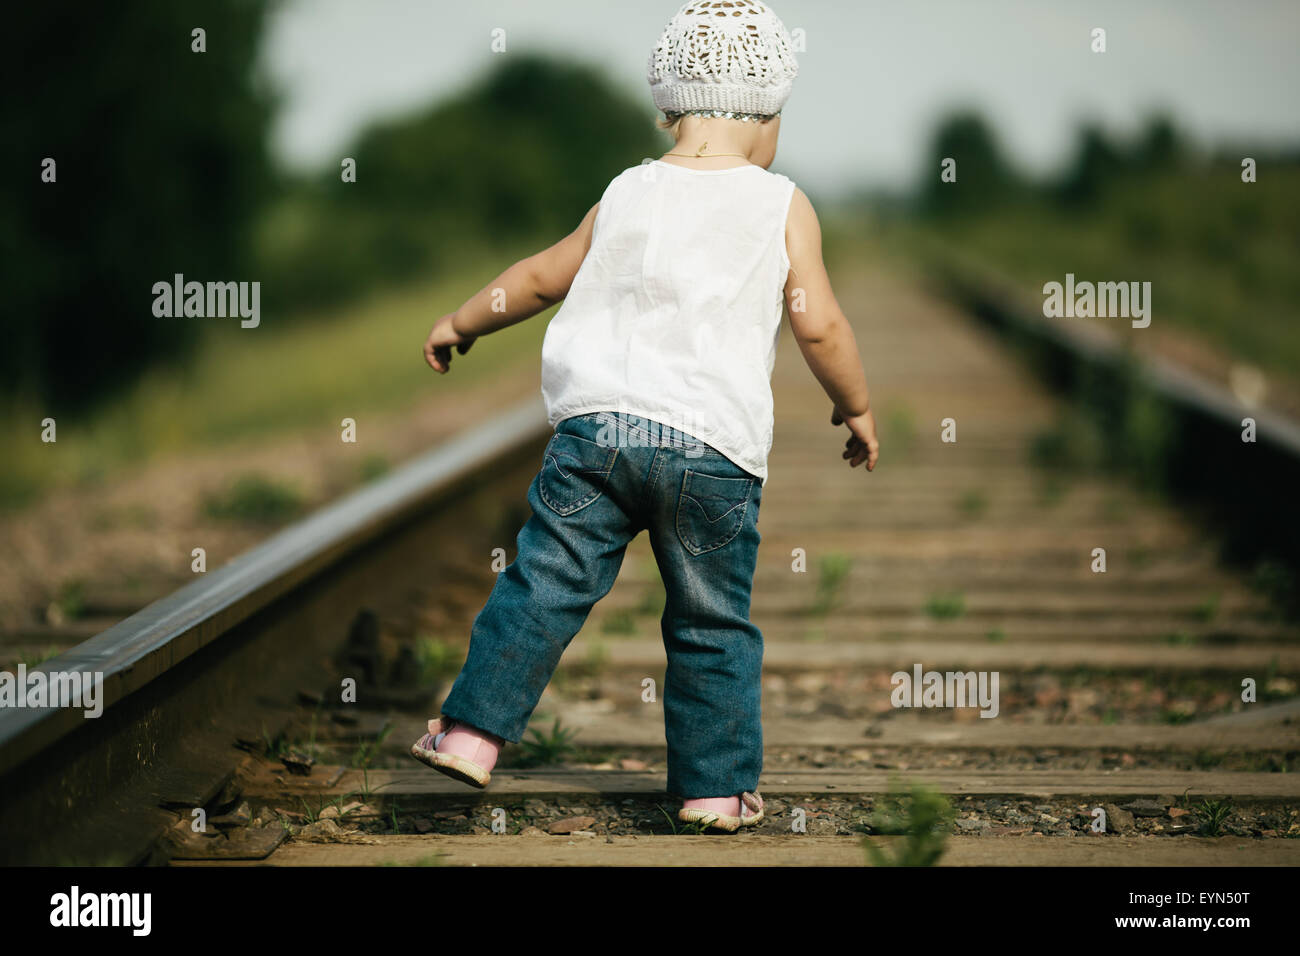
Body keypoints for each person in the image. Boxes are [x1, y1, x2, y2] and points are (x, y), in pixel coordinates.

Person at [413, 0, 878, 833]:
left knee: (541, 586)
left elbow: (541, 277)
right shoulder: (782, 204)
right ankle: (712, 791)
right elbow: (820, 322)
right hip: (712, 454)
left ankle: (470, 736)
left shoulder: (628, 190)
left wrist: (462, 319)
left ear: (670, 111)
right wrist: (856, 406)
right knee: (710, 623)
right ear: (768, 115)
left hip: (598, 439)